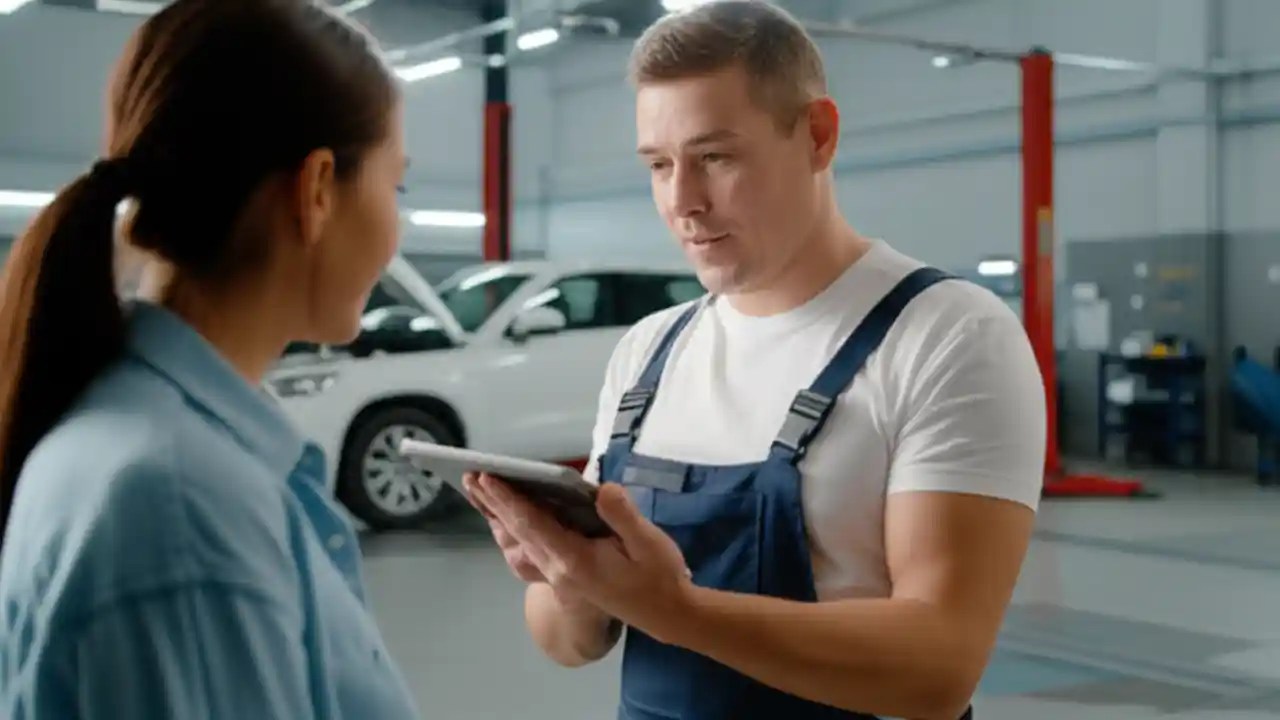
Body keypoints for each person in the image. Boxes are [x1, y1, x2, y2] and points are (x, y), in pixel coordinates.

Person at [464, 2, 1046, 719]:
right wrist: (570, 582)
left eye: (716, 157)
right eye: (659, 165)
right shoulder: (648, 352)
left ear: (818, 136)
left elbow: (939, 663)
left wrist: (680, 612)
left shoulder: (947, 337)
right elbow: (567, 642)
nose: (683, 202)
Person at [0, 1, 420, 717]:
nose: (397, 225)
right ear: (317, 190)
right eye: (396, 185)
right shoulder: (182, 504)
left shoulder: (148, 442)